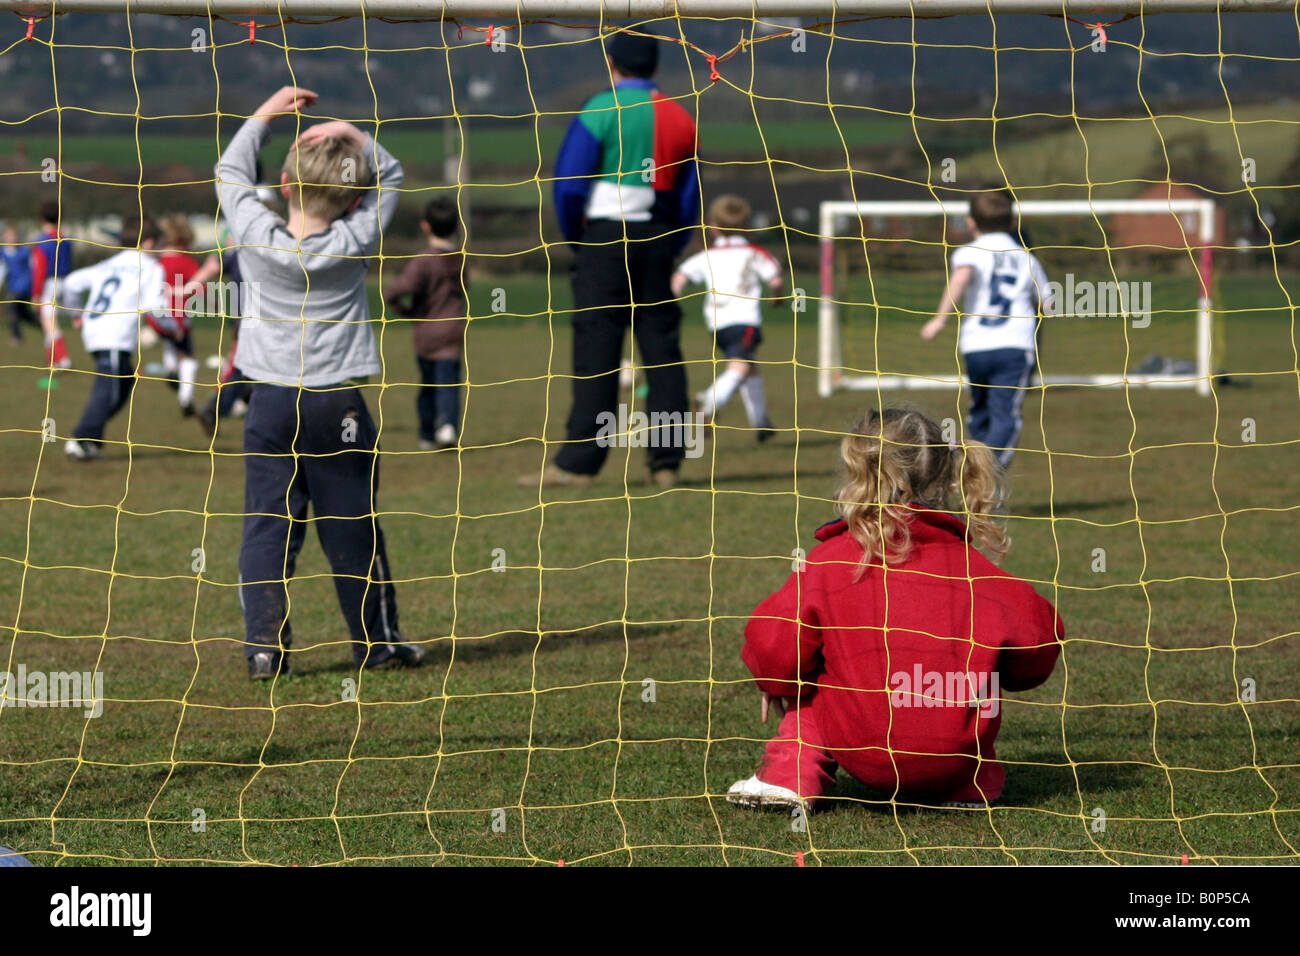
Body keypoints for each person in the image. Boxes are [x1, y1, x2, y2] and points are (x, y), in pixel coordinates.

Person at [728, 407, 1063, 811]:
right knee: (977, 679)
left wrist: (778, 683)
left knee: (813, 674)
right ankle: (968, 789)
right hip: (955, 758)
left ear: (861, 474)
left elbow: (773, 643)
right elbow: (1038, 653)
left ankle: (789, 775)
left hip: (861, 748)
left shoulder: (830, 560)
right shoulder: (979, 572)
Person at [218, 84, 422, 680]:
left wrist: (266, 113)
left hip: (271, 402)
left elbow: (230, 168)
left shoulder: (254, 232)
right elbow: (392, 174)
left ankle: (264, 647)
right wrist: (353, 135)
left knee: (267, 525)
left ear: (284, 186)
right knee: (352, 526)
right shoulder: (357, 238)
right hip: (339, 404)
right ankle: (376, 645)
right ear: (353, 197)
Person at [522, 28, 699, 490]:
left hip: (603, 239)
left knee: (597, 350)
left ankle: (579, 463)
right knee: (662, 351)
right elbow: (688, 195)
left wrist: (577, 238)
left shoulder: (599, 109)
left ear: (612, 63)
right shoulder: (680, 116)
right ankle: (667, 463)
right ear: (656, 66)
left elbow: (569, 185)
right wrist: (672, 243)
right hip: (659, 238)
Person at [921, 188, 1052, 467]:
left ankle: (972, 467)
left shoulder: (969, 253)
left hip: (977, 345)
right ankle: (990, 471)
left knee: (979, 409)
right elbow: (1047, 302)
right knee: (1005, 412)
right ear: (1012, 224)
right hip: (1015, 347)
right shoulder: (1026, 258)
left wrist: (939, 319)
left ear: (970, 222)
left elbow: (960, 279)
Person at [39, 213, 173, 460]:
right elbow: (156, 305)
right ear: (150, 243)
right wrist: (174, 327)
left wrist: (77, 312)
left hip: (96, 331)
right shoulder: (152, 267)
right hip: (115, 335)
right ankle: (79, 440)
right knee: (109, 389)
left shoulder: (109, 263)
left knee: (124, 382)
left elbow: (70, 283)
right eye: (161, 244)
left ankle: (90, 439)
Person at [671, 195, 781, 440]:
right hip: (745, 322)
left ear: (713, 227)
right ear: (747, 226)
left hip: (716, 326)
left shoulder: (707, 256)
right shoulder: (753, 253)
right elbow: (775, 278)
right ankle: (706, 402)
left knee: (749, 366)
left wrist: (674, 303)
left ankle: (761, 423)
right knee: (741, 366)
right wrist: (778, 297)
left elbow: (679, 278)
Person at [382, 197, 468, 451]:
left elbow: (399, 289)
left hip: (427, 332)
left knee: (427, 384)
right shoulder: (460, 259)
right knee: (449, 383)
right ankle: (448, 426)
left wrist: (400, 307)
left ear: (425, 226)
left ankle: (426, 433)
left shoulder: (423, 260)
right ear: (456, 229)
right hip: (454, 330)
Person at [157, 214, 203, 416]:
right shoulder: (186, 261)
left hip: (156, 313)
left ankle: (170, 368)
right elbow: (198, 287)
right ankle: (186, 397)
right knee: (188, 357)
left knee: (169, 341)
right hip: (178, 314)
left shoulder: (155, 261)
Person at [33, 201, 75, 369]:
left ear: (41, 218)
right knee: (50, 322)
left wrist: (36, 293)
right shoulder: (64, 239)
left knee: (49, 323)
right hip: (65, 281)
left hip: (50, 284)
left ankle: (63, 359)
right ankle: (52, 361)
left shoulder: (41, 241)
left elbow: (39, 269)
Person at [1, 224, 39, 344]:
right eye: (8, 235)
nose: (11, 238)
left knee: (10, 305)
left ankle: (17, 337)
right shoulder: (2, 252)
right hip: (12, 285)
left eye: (13, 235)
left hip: (25, 284)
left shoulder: (24, 250)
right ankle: (41, 324)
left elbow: (33, 266)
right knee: (22, 313)